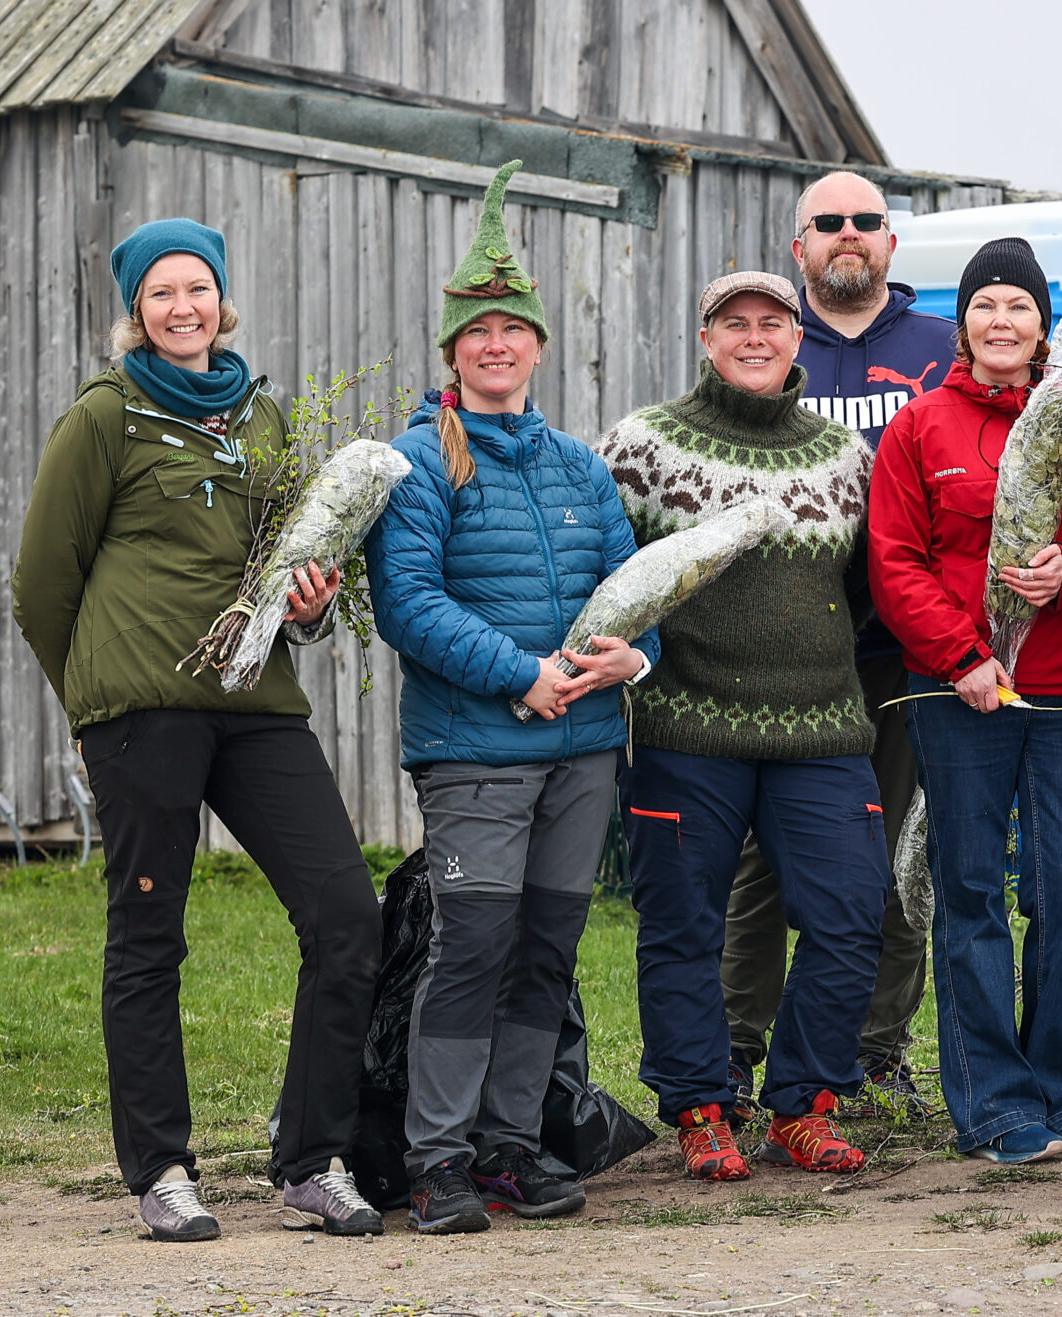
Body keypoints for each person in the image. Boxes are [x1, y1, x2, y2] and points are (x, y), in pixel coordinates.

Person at [11, 218, 383, 1242]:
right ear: (135, 312)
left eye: (199, 289)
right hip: (142, 713)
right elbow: (43, 584)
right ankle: (161, 1169)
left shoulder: (261, 416)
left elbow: (279, 576)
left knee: (347, 915)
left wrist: (309, 602)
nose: (184, 308)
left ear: (224, 301)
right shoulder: (106, 417)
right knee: (150, 934)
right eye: (162, 293)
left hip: (256, 706)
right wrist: (93, 708)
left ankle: (310, 1160)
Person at [365, 162, 658, 1232]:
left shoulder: (581, 467)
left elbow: (636, 590)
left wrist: (635, 658)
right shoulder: (418, 461)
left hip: (583, 752)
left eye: (513, 329)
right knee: (473, 945)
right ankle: (435, 1156)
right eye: (476, 332)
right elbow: (406, 601)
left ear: (538, 345)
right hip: (475, 750)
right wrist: (520, 673)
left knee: (545, 947)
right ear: (453, 353)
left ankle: (510, 1142)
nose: (496, 345)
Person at [867, 238, 1062, 1162]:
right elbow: (895, 561)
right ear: (963, 322)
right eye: (986, 305)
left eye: (1019, 307)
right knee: (973, 887)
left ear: (1040, 326)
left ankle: (1050, 1078)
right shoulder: (921, 429)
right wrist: (961, 657)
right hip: (962, 691)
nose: (1002, 322)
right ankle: (991, 1100)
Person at [604, 270, 894, 1181]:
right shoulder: (640, 447)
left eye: (775, 323)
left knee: (852, 915)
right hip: (686, 728)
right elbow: (603, 577)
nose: (757, 337)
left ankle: (802, 1103)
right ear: (706, 336)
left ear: (799, 340)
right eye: (737, 324)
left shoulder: (847, 458)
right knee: (682, 925)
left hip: (821, 735)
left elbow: (867, 590)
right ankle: (699, 1104)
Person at [719, 170, 956, 1121]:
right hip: (786, 658)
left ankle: (876, 1051)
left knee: (898, 858)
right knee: (764, 862)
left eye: (867, 220)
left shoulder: (941, 349)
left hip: (906, 655)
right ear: (800, 245)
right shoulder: (768, 343)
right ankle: (737, 1045)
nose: (848, 234)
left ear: (891, 244)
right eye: (829, 223)